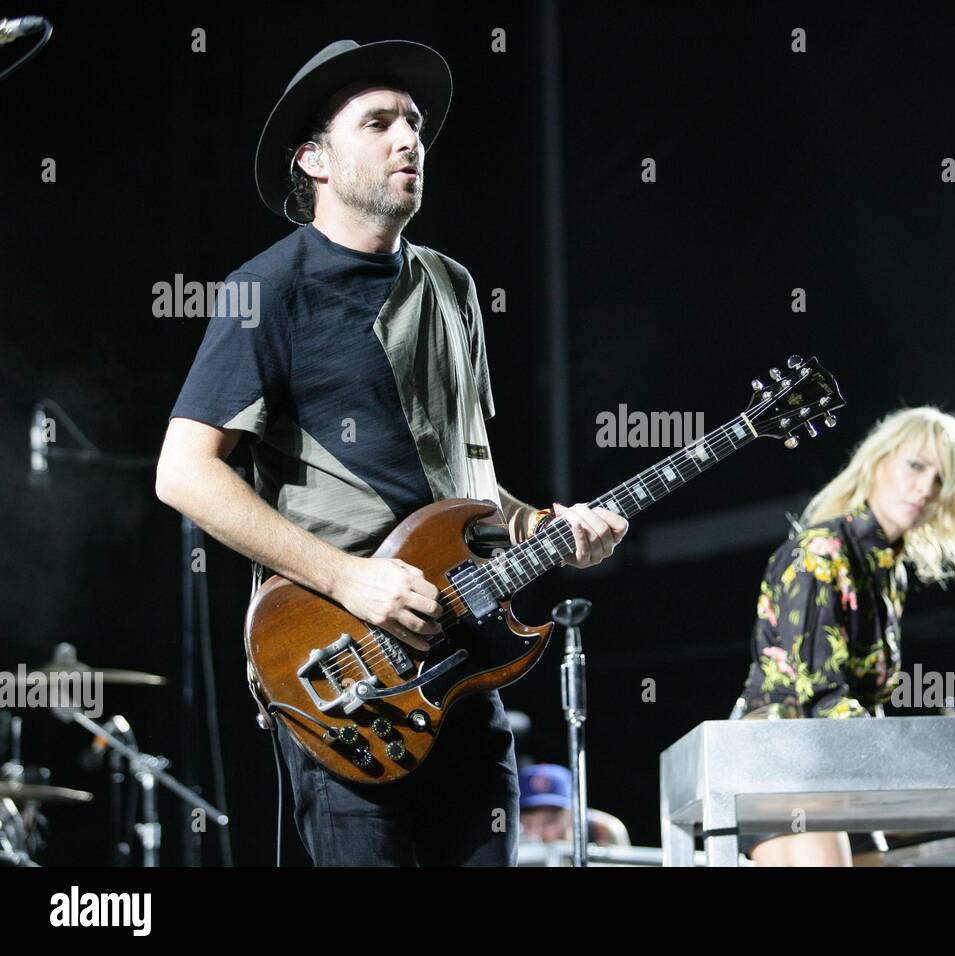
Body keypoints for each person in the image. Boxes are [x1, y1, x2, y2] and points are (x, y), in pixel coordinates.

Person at [154, 39, 627, 866]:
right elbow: (183, 471)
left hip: (467, 664)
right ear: (316, 160)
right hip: (349, 677)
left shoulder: (452, 286)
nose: (409, 137)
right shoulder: (267, 289)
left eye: (412, 122)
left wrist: (552, 525)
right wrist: (347, 577)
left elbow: (472, 490)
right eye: (378, 123)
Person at [733, 405, 955, 866]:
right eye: (916, 465)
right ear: (878, 461)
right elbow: (817, 695)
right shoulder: (821, 551)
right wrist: (922, 756)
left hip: (834, 766)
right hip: (783, 759)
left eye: (941, 480)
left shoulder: (889, 571)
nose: (925, 488)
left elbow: (856, 699)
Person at [518, 763, 631, 848]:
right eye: (529, 823)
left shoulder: (603, 832)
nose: (538, 834)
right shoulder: (511, 849)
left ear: (573, 816)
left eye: (549, 821)